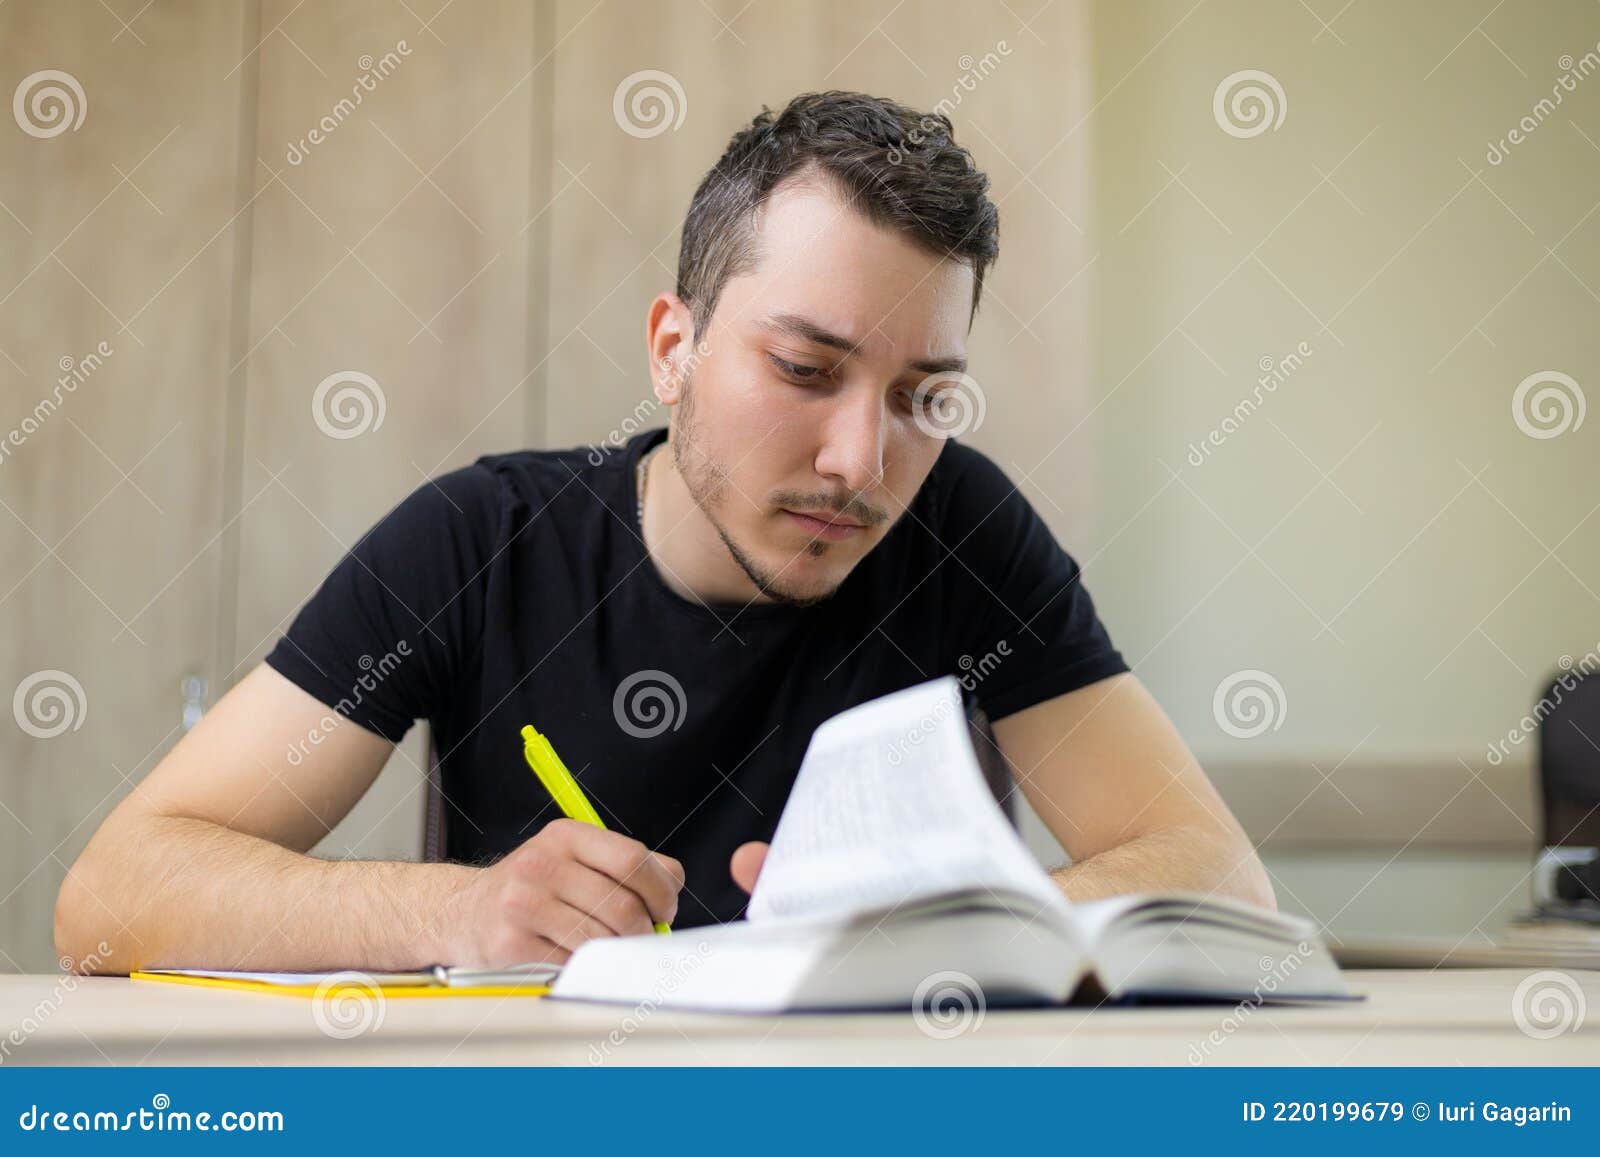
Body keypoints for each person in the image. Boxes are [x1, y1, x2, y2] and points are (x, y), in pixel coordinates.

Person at [56, 91, 1273, 975]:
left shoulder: (962, 527)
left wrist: (953, 928)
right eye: (806, 367)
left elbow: (1215, 873)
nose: (862, 460)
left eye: (921, 397)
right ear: (672, 351)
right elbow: (110, 897)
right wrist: (453, 912)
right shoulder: (478, 539)